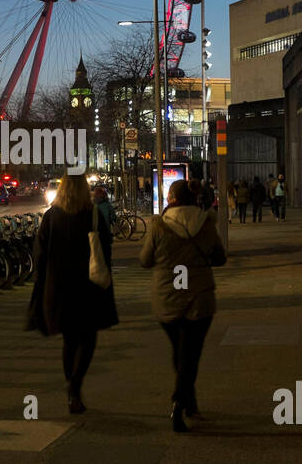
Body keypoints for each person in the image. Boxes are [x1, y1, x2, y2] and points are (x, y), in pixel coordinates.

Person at [27, 172, 118, 414]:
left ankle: (72, 389)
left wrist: (42, 282)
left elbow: (39, 254)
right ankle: (75, 385)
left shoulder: (51, 217)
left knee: (69, 339)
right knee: (88, 338)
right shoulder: (93, 215)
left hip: (59, 287)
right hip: (87, 287)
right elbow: (106, 249)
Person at [139, 178, 226, 432]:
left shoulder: (158, 226)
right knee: (191, 351)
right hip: (199, 296)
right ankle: (182, 400)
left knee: (180, 350)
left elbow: (145, 261)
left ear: (171, 199)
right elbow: (220, 258)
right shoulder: (206, 224)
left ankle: (186, 400)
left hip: (167, 296)